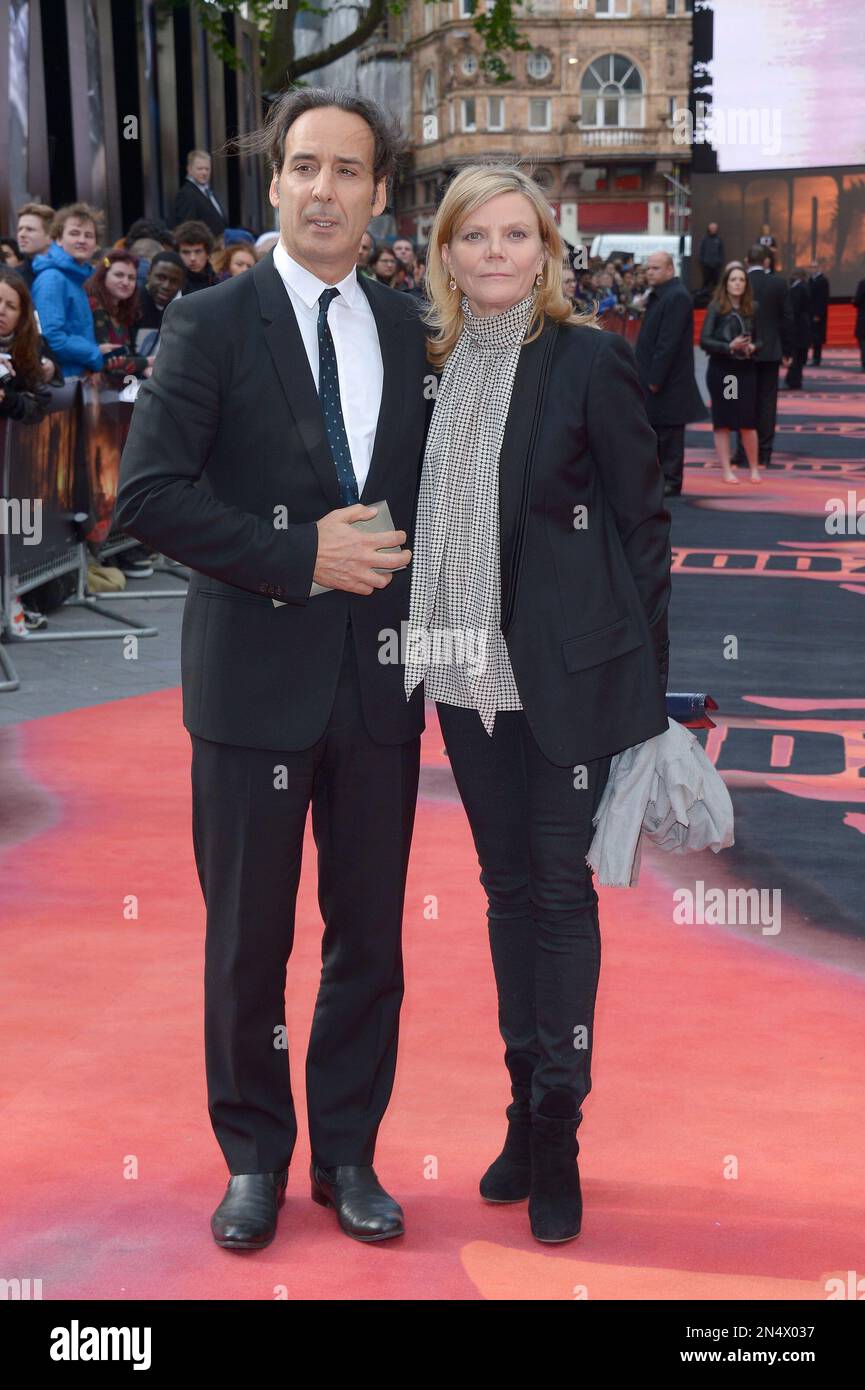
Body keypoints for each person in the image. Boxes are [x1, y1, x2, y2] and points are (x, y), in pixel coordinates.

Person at [114, 87, 432, 1252]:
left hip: (379, 684)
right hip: (251, 681)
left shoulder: (410, 328)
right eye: (304, 167)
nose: (324, 190)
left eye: (348, 171)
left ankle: (347, 1150)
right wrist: (298, 558)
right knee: (249, 936)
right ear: (278, 182)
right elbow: (147, 498)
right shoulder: (209, 321)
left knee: (371, 934)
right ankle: (253, 1153)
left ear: (380, 194)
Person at [404, 164, 671, 1245]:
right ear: (448, 255)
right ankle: (520, 1100)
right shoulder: (425, 370)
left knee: (560, 891)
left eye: (517, 236)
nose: (497, 254)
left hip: (566, 675)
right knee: (504, 886)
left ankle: (559, 1122)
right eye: (476, 237)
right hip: (460, 667)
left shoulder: (587, 361)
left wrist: (642, 688)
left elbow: (642, 526)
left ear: (546, 252)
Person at [634, 250, 708, 497]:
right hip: (654, 377)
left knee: (670, 433)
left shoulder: (676, 296)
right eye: (648, 268)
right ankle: (662, 478)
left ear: (669, 270)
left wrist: (655, 379)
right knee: (657, 430)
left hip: (667, 380)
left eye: (655, 268)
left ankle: (672, 480)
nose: (649, 272)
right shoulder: (660, 295)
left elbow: (668, 342)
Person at [730, 245, 793, 469]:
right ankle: (764, 454)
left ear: (747, 261)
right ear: (766, 261)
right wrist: (787, 351)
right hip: (770, 352)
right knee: (767, 404)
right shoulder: (778, 284)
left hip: (742, 352)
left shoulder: (738, 283)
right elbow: (787, 319)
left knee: (741, 402)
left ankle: (742, 453)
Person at [699, 262, 762, 484]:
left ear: (746, 284)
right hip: (724, 371)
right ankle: (727, 469)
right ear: (726, 284)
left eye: (741, 280)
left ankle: (754, 467)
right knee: (724, 420)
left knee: (747, 421)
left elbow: (762, 338)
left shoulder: (753, 308)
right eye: (733, 280)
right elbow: (704, 340)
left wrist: (754, 347)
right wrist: (729, 346)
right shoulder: (716, 308)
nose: (737, 284)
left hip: (745, 369)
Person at [30, 203, 105, 378]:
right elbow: (52, 337)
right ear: (58, 239)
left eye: (89, 235)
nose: (82, 240)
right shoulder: (52, 278)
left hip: (74, 377)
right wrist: (94, 355)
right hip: (61, 381)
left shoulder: (75, 277)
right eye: (74, 233)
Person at [0, 267, 60, 423]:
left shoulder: (31, 349)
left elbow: (38, 408)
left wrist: (8, 398)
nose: (1, 310)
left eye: (11, 306)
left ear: (21, 317)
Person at [85, 251, 153, 380]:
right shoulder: (95, 306)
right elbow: (109, 361)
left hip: (120, 390)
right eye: (119, 275)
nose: (126, 282)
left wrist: (143, 367)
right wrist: (148, 362)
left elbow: (128, 356)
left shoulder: (123, 311)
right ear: (103, 276)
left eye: (131, 278)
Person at [132, 252, 185, 357]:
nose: (166, 286)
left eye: (174, 281)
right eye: (161, 278)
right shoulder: (132, 304)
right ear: (149, 274)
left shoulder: (175, 312)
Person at [173, 149, 227, 238]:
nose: (204, 172)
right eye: (200, 169)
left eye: (207, 169)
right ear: (189, 169)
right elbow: (188, 228)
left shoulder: (208, 191)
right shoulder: (186, 194)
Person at [15, 203, 54, 289]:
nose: (21, 234)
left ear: (50, 237)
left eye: (30, 229)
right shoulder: (14, 277)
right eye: (20, 229)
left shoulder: (68, 271)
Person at [785, 267, 812, 390]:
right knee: (799, 356)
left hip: (797, 327)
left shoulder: (798, 289)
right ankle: (795, 379)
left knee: (796, 355)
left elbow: (794, 308)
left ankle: (794, 379)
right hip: (803, 326)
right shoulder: (804, 287)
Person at [174, 221, 220, 294]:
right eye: (186, 252)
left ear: (208, 253)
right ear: (178, 254)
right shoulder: (173, 286)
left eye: (198, 252)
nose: (192, 258)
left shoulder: (219, 284)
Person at [808, 261, 830, 365]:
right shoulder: (811, 280)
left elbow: (823, 299)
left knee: (817, 337)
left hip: (818, 314)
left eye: (814, 267)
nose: (812, 269)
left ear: (819, 268)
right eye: (811, 267)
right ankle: (813, 357)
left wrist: (818, 314)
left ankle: (817, 359)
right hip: (810, 312)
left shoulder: (823, 281)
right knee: (812, 336)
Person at [698, 221, 725, 293]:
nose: (713, 229)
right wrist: (702, 262)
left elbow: (721, 252)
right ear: (709, 228)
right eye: (712, 228)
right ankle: (703, 298)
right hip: (706, 266)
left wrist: (719, 262)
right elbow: (701, 251)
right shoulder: (704, 239)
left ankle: (716, 297)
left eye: (715, 228)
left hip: (716, 266)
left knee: (716, 284)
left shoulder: (719, 239)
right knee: (705, 283)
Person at [853, 274, 865, 372]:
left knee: (863, 341)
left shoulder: (863, 283)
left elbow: (857, 300)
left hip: (863, 317)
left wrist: (854, 302)